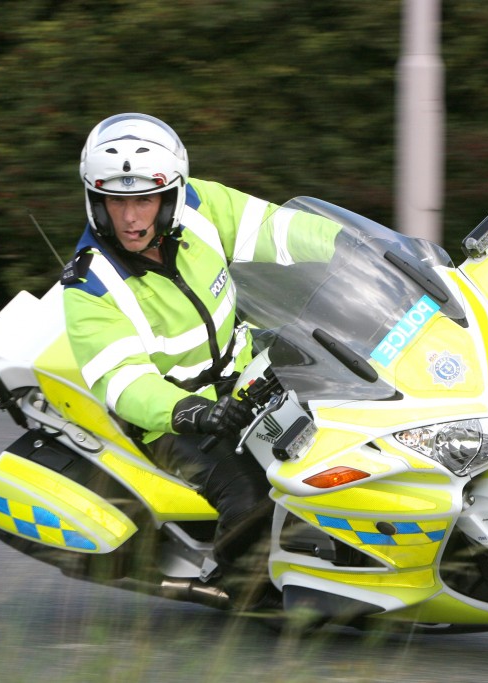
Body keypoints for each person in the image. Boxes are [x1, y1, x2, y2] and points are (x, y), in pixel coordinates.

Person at [61, 113, 338, 608]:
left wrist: (355, 251)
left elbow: (282, 229)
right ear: (95, 199)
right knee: (252, 496)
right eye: (116, 201)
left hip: (246, 371)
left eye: (143, 199)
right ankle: (244, 592)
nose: (131, 219)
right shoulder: (90, 287)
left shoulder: (201, 206)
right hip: (175, 423)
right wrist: (197, 413)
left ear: (168, 194)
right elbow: (125, 385)